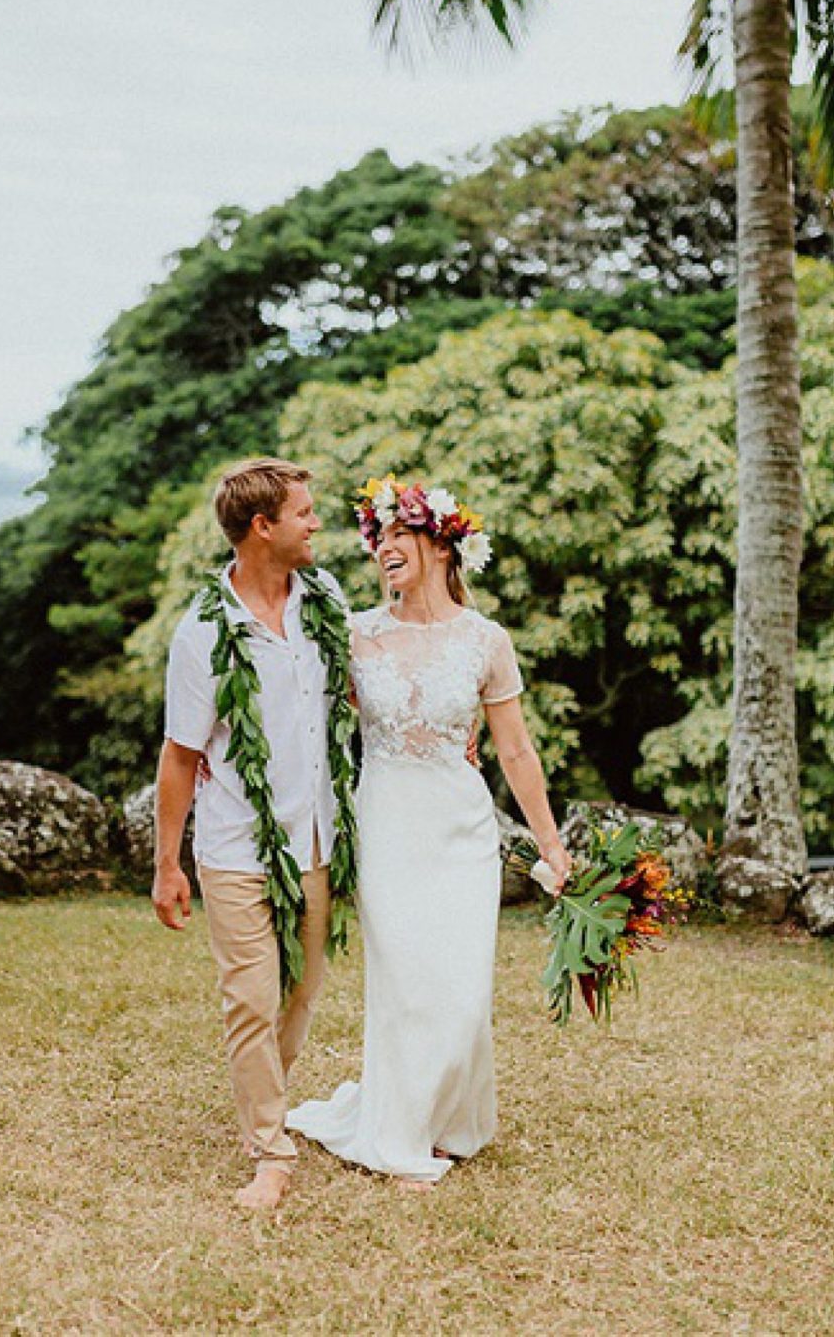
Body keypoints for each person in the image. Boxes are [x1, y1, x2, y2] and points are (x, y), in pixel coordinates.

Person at [287, 476, 572, 1192]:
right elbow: (307, 712)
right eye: (377, 537)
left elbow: (515, 751)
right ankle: (404, 1131)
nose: (384, 547)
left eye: (397, 534)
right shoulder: (354, 633)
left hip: (460, 824)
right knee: (409, 981)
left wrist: (550, 842)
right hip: (386, 818)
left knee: (463, 986)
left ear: (443, 546)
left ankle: (449, 1119)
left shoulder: (486, 640)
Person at [152, 457, 350, 1211]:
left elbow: (358, 687)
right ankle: (270, 1148)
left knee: (301, 994)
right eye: (304, 512)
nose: (316, 522)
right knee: (251, 1000)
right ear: (262, 527)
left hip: (318, 842)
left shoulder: (324, 597)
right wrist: (167, 865)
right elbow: (180, 754)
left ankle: (263, 1100)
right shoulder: (203, 631)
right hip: (236, 846)